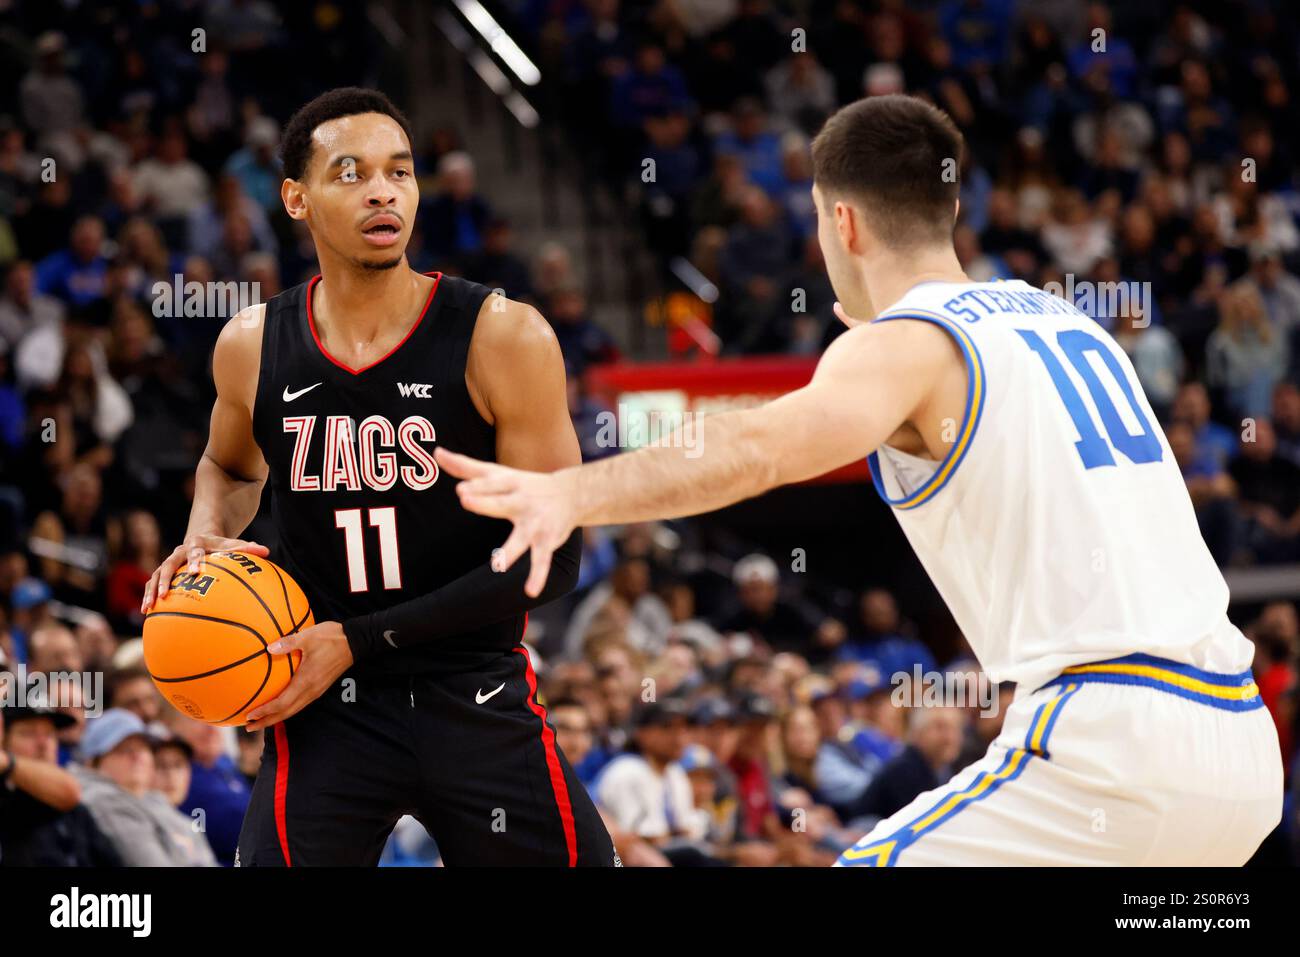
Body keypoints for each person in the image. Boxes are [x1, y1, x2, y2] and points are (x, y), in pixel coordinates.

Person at [438, 94, 1284, 866]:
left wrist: (568, 491)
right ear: (950, 208)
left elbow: (759, 446)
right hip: (1240, 742)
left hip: (1112, 738)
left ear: (841, 222)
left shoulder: (904, 346)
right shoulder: (1071, 321)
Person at [139, 88, 614, 867]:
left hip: (473, 689)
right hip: (321, 703)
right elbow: (227, 464)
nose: (382, 190)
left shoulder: (503, 335)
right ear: (295, 198)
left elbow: (552, 559)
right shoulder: (251, 345)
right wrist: (204, 533)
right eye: (351, 173)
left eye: (400, 171)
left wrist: (357, 641)